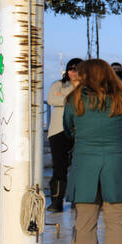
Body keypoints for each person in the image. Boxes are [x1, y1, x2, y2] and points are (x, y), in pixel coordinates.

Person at [64, 60, 122, 244]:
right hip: (115, 163)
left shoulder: (74, 99)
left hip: (85, 163)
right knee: (117, 221)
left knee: (84, 223)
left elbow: (68, 128)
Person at [46, 58, 81, 213]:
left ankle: (77, 199)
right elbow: (52, 99)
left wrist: (65, 98)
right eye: (70, 68)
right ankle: (56, 200)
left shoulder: (88, 88)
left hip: (79, 131)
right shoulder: (58, 85)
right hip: (58, 131)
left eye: (77, 68)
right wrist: (73, 98)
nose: (73, 71)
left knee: (79, 168)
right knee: (59, 168)